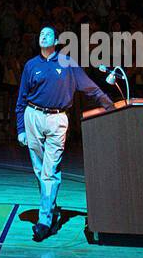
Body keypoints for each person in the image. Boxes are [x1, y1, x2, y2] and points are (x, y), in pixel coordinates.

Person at [16, 27, 114, 242]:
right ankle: (51, 209)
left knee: (49, 171)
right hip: (33, 116)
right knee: (40, 170)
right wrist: (21, 129)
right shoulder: (31, 65)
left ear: (57, 40)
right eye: (40, 33)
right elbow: (21, 99)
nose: (43, 36)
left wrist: (111, 106)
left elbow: (92, 88)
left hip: (57, 119)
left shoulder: (68, 63)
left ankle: (44, 221)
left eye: (48, 34)